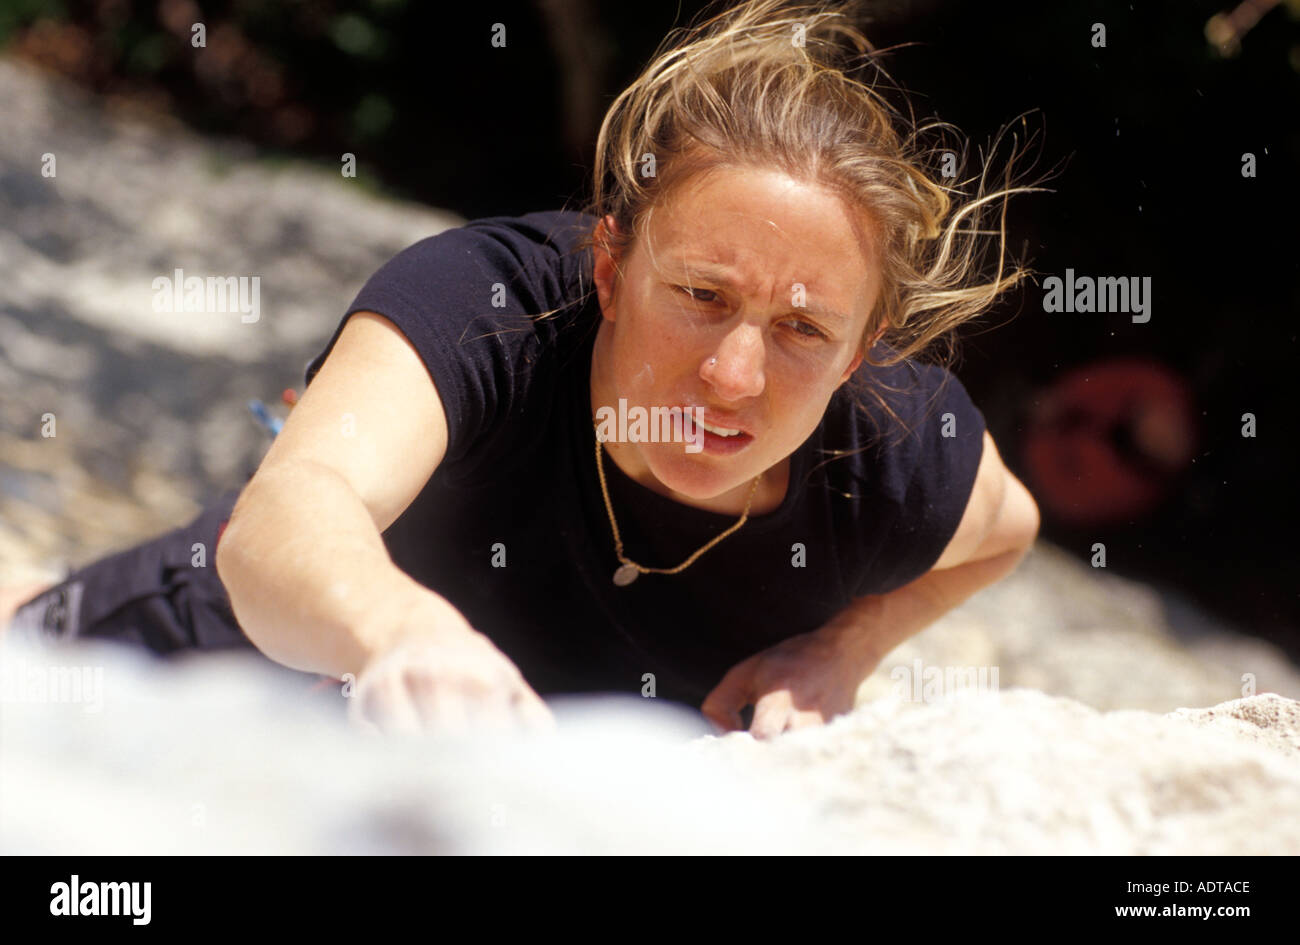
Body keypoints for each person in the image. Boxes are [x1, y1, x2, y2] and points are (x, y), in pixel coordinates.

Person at [2, 0, 1041, 739]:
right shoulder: (491, 305)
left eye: (802, 330)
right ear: (610, 266)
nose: (733, 375)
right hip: (270, 660)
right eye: (699, 296)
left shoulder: (899, 449)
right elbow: (288, 511)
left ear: (861, 351)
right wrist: (401, 633)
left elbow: (1008, 531)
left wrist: (842, 651)